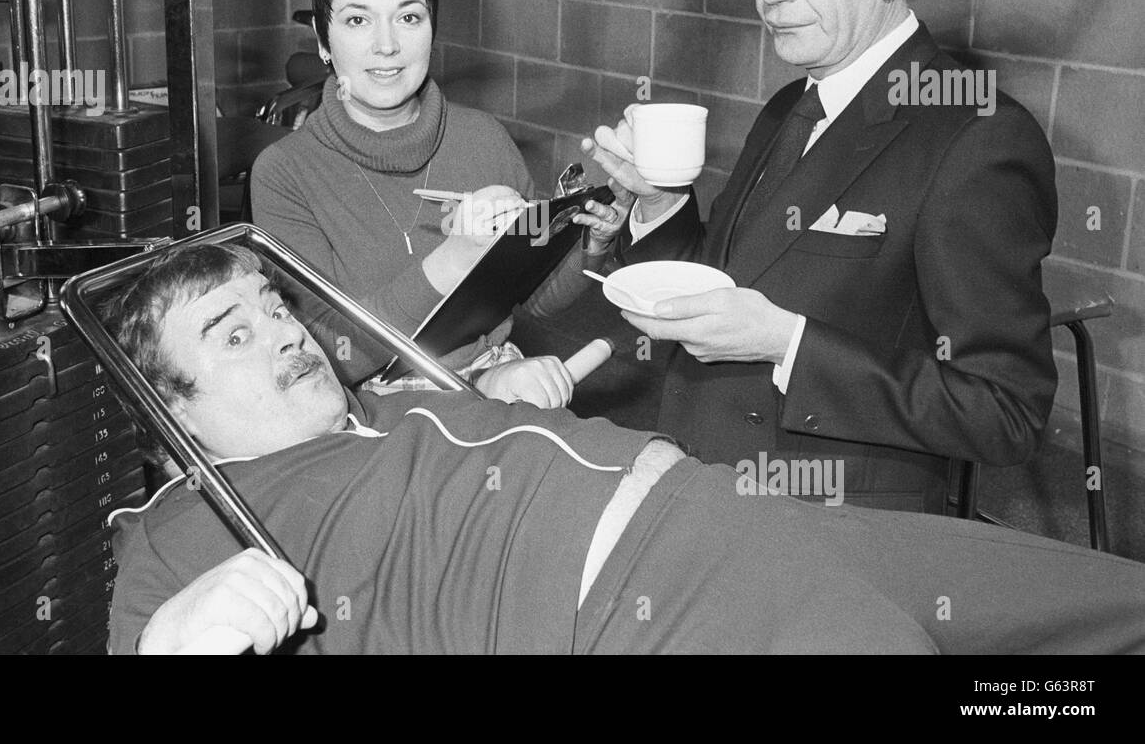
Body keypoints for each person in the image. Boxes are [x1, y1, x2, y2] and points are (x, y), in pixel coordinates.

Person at [103, 243, 1144, 655]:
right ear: (176, 409)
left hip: (744, 519)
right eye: (233, 333)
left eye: (273, 304)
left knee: (1098, 603)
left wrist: (488, 398)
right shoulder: (178, 534)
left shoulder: (388, 399)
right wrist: (167, 652)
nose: (284, 329)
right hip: (665, 617)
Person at [584, 0, 1058, 513]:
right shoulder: (789, 106)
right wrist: (657, 207)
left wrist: (789, 346)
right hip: (704, 496)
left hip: (834, 537)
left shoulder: (976, 138)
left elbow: (1005, 410)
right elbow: (731, 287)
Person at [249, 0, 623, 409]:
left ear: (432, 29)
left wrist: (590, 246)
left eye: (408, 17)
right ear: (323, 39)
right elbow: (330, 355)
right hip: (366, 412)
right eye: (358, 22)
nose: (387, 46)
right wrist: (453, 259)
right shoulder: (284, 174)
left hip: (499, 385)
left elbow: (533, 300)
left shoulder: (483, 138)